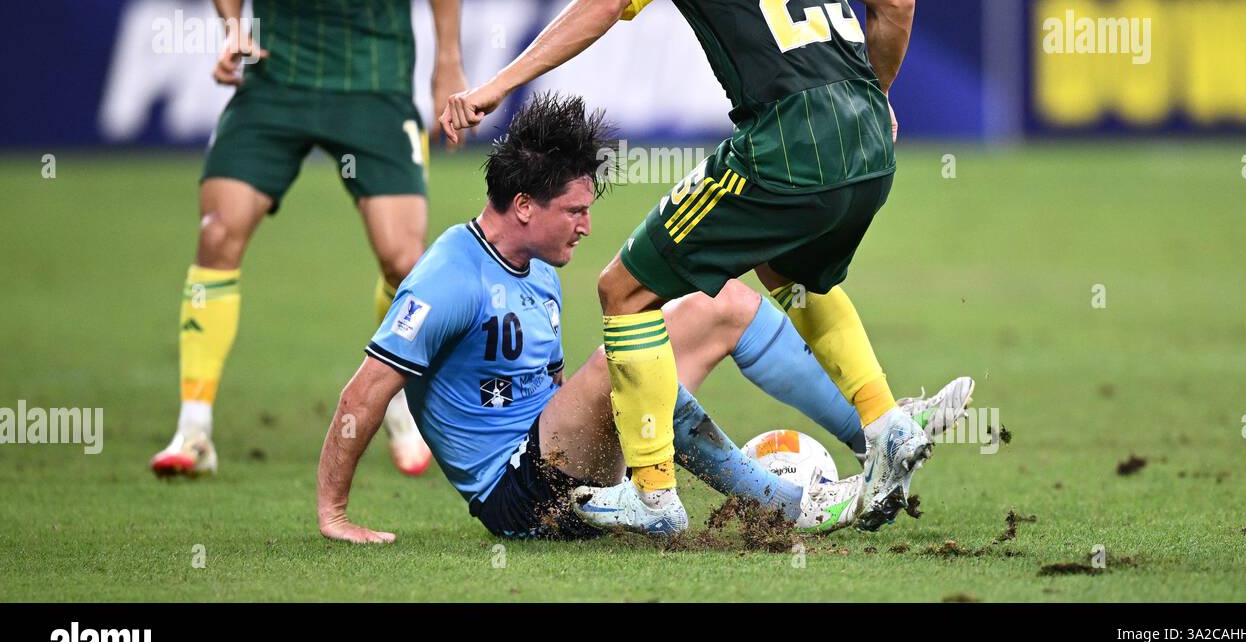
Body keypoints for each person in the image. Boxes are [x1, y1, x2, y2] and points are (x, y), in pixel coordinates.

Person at [440, 0, 925, 531]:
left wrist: (496, 85)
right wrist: (869, 97)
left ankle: (654, 494)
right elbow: (896, 3)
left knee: (623, 289)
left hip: (786, 140)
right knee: (790, 271)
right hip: (868, 139)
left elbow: (602, 5)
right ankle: (886, 424)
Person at [317, 93, 878, 539]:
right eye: (575, 212)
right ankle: (791, 507)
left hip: (572, 466)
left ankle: (874, 439)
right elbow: (362, 394)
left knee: (723, 303)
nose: (586, 227)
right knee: (625, 360)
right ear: (523, 205)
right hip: (519, 496)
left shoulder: (538, 269)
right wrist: (334, 514)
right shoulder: (448, 277)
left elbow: (553, 386)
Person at [152, 0, 467, 478]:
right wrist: (233, 28)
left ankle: (394, 401)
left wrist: (447, 62)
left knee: (400, 256)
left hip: (373, 72)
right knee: (218, 232)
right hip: (278, 75)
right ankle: (193, 429)